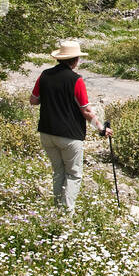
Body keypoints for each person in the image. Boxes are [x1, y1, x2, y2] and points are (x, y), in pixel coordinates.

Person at [30, 40, 111, 213]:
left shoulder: (44, 75)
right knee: (73, 174)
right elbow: (86, 111)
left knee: (58, 172)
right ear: (74, 60)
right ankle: (67, 214)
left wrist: (51, 97)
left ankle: (57, 208)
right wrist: (102, 128)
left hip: (46, 132)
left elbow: (33, 101)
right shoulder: (76, 80)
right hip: (69, 135)